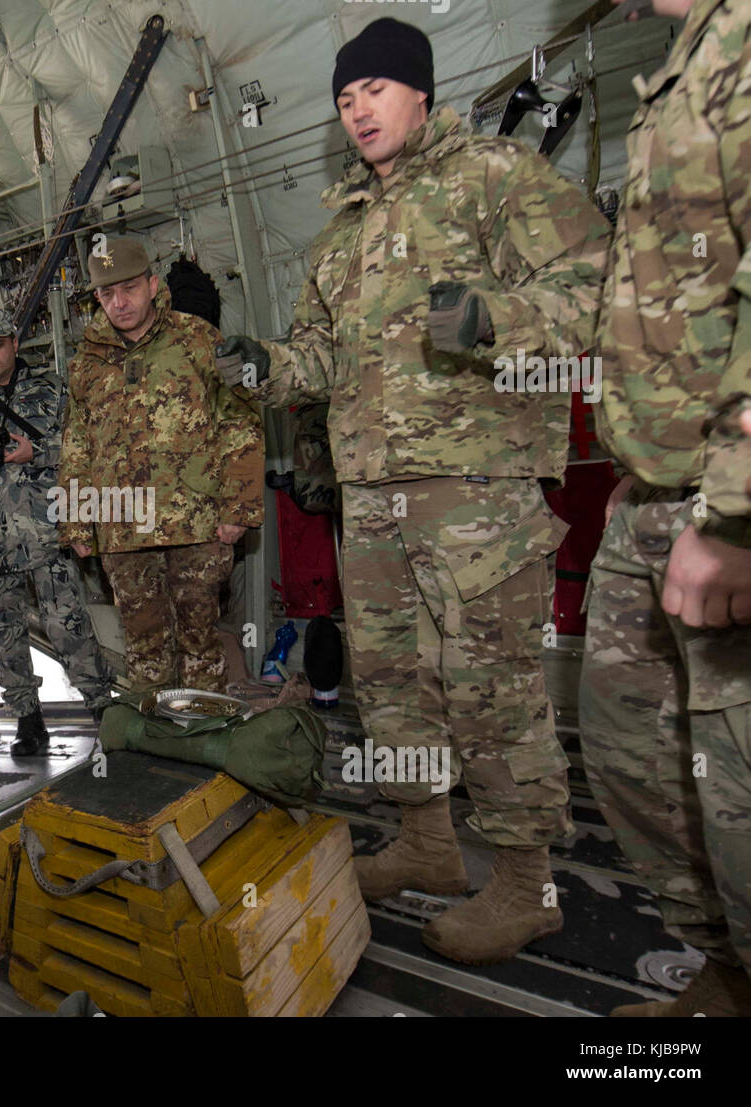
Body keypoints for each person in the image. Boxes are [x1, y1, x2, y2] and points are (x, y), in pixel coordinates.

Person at [216, 17, 610, 964]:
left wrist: (490, 316)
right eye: (346, 100)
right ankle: (429, 841)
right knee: (392, 688)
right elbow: (316, 356)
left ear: (421, 93)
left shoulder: (494, 180)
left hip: (477, 492)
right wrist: (254, 365)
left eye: (375, 92)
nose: (359, 112)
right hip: (373, 498)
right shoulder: (340, 237)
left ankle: (527, 882)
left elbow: (596, 285)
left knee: (492, 690)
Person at [579, 0, 751, 1016]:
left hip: (721, 503)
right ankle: (724, 971)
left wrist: (733, 513)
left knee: (736, 790)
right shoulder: (679, 66)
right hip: (649, 496)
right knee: (631, 750)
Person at [59, 238, 263, 692]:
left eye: (129, 288)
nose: (119, 302)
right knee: (144, 645)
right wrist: (76, 522)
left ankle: (202, 737)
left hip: (195, 519)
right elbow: (76, 443)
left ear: (153, 285)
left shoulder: (197, 339)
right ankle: (158, 739)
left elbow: (239, 419)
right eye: (107, 294)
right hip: (122, 525)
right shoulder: (86, 364)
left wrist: (240, 508)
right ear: (97, 298)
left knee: (200, 638)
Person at [0, 309, 113, 756]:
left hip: (47, 535)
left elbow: (83, 449)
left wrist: (38, 450)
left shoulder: (51, 390)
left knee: (69, 626)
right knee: (7, 636)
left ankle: (104, 711)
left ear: (15, 343)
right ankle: (28, 721)